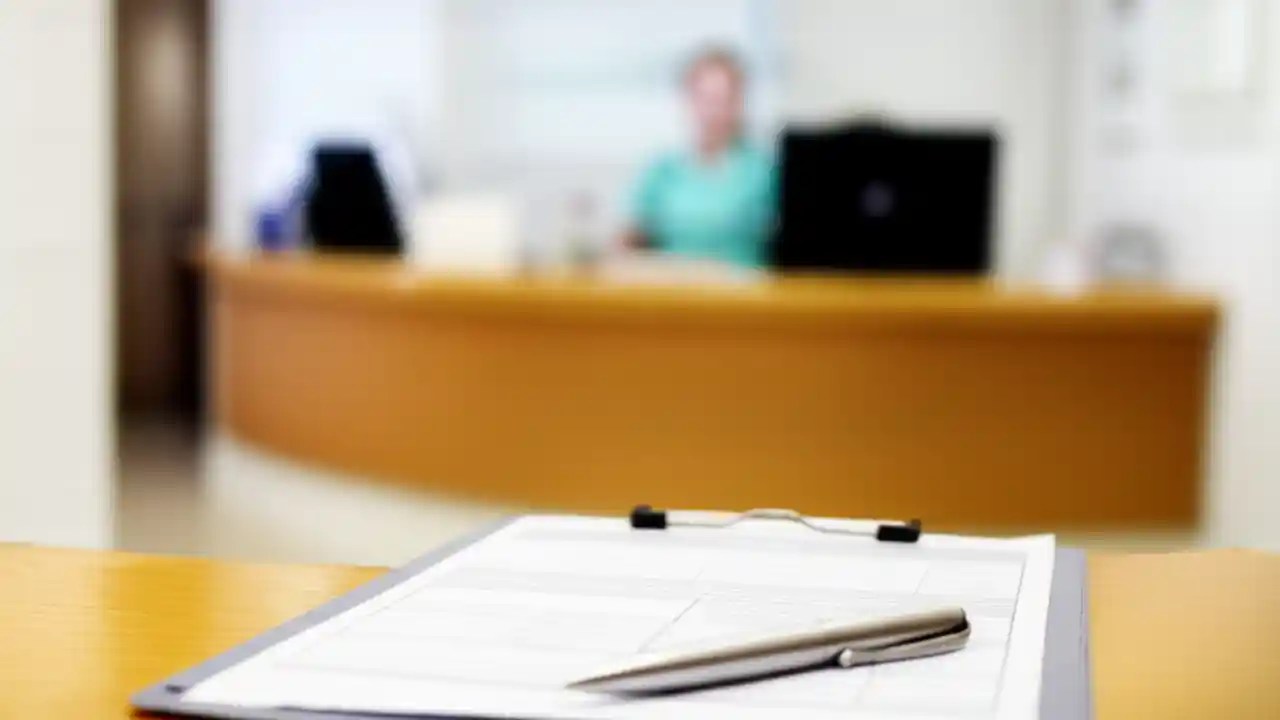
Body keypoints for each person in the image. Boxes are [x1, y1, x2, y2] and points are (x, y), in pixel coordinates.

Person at [623, 47, 776, 268]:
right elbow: (630, 235)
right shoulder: (663, 169)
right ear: (689, 100)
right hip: (676, 291)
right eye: (707, 99)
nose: (715, 111)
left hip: (743, 294)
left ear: (740, 103)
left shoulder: (763, 171)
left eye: (725, 100)